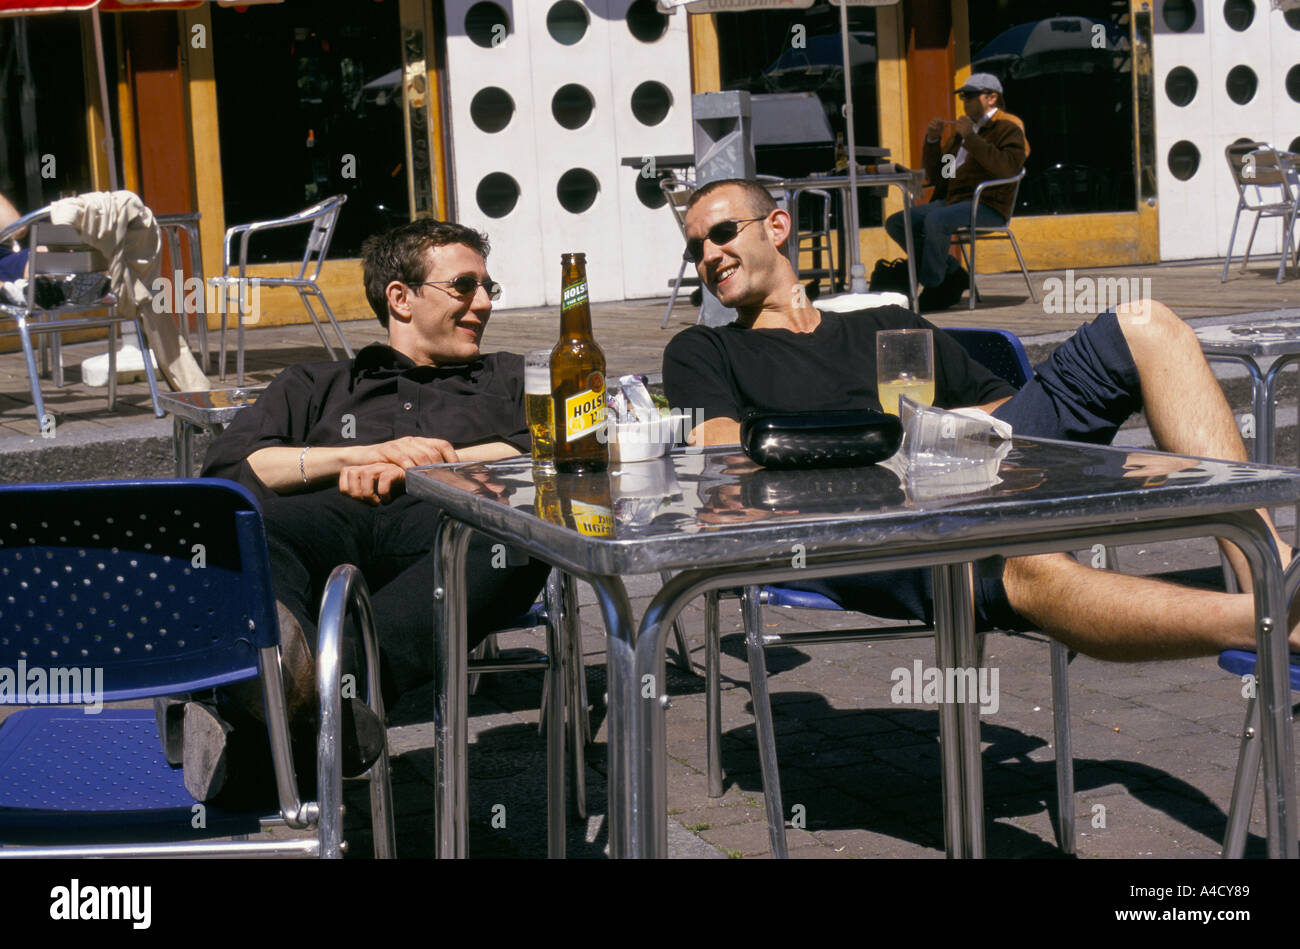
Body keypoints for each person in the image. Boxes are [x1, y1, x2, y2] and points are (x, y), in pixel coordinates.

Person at [663, 177, 1297, 661]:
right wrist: (879, 448)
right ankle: (1272, 621)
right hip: (858, 524)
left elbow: (1001, 403)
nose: (709, 256)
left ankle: (1265, 564)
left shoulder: (885, 322)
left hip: (972, 468)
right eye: (696, 248)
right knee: (1030, 566)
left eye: (722, 234)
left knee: (1148, 324)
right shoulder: (706, 348)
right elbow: (722, 451)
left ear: (776, 227)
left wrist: (936, 430)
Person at [168, 218, 550, 806]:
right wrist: (364, 453)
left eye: (487, 288)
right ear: (401, 297)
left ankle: (275, 705)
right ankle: (320, 709)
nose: (483, 303)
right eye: (464, 287)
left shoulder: (508, 377)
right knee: (253, 529)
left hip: (452, 529)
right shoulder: (317, 383)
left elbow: (564, 442)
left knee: (516, 540)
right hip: (326, 523)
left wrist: (424, 468)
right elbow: (234, 468)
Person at [882, 73, 1028, 311]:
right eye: (963, 97)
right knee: (898, 222)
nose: (965, 102)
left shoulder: (1007, 128)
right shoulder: (962, 132)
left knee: (935, 220)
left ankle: (935, 285)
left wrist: (971, 137)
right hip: (953, 202)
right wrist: (932, 140)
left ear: (992, 98)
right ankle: (950, 272)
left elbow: (1005, 168)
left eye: (970, 96)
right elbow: (942, 175)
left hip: (988, 204)